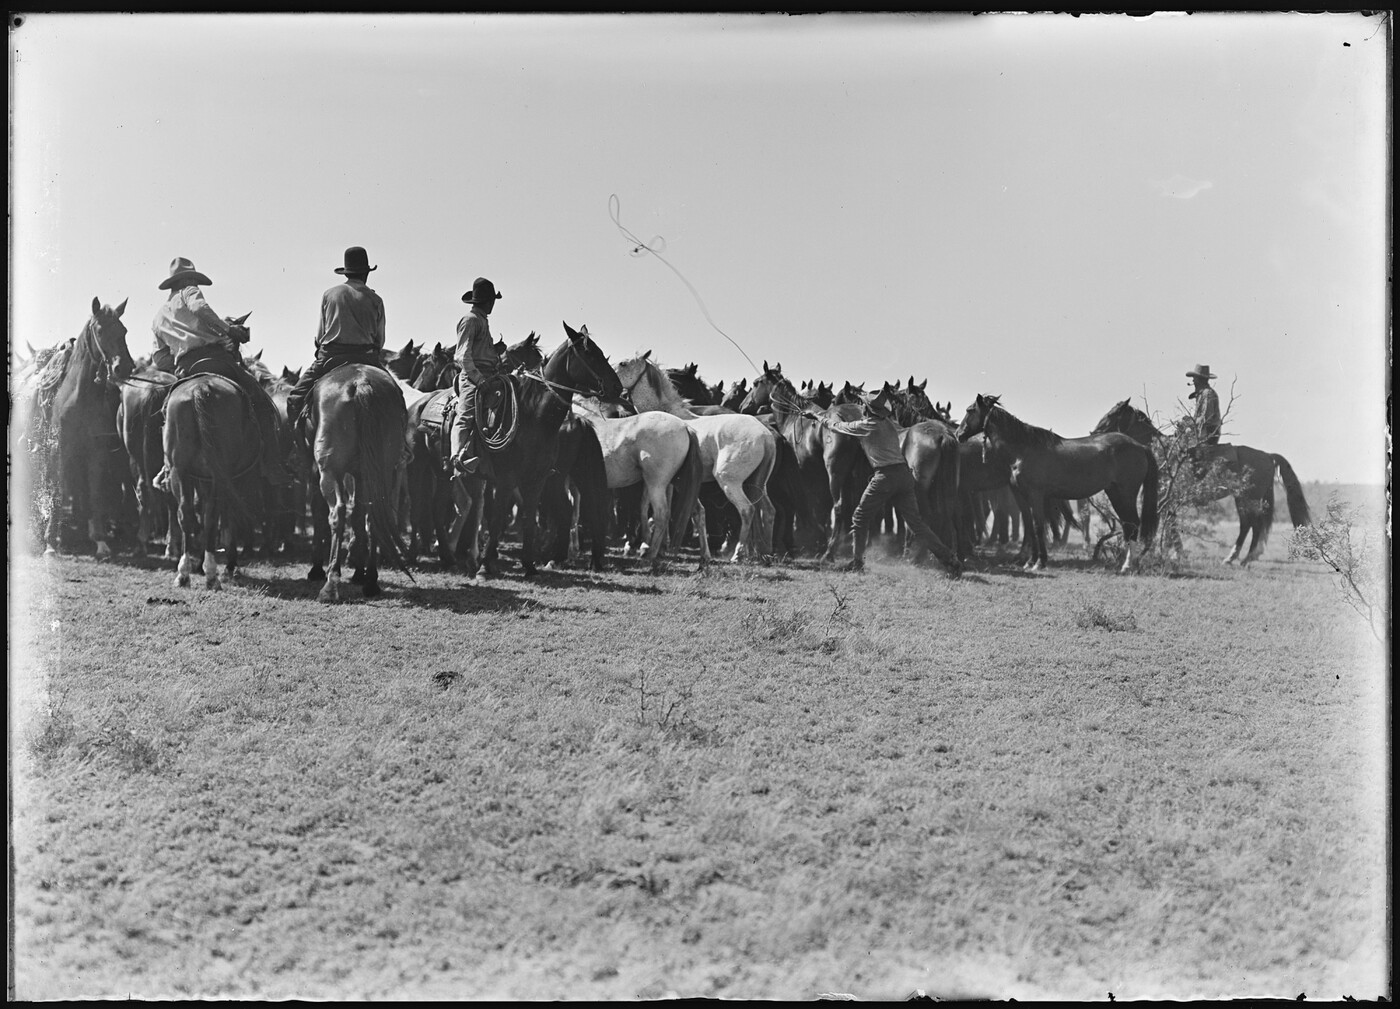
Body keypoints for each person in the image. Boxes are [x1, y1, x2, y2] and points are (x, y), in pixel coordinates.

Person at [150, 257, 292, 490]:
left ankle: (168, 469)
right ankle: (272, 465)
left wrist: (179, 357)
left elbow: (159, 358)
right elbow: (200, 308)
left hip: (186, 370)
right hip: (217, 361)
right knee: (264, 405)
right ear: (188, 280)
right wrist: (229, 331)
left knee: (166, 417)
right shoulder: (189, 291)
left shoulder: (158, 317)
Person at [805, 390, 961, 575]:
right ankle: (949, 558)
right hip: (904, 476)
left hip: (885, 476)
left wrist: (816, 415)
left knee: (859, 517)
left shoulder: (866, 425)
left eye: (863, 405)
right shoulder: (887, 423)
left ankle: (857, 563)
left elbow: (837, 426)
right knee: (916, 524)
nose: (861, 407)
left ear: (868, 409)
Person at [285, 246, 388, 431]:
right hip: (366, 357)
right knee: (395, 395)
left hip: (331, 356)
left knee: (295, 397)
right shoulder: (376, 299)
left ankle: (298, 448)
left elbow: (320, 335)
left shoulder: (330, 294)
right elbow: (380, 341)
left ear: (346, 273)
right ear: (366, 273)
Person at [449, 277, 504, 474]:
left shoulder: (481, 320)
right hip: (473, 377)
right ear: (488, 302)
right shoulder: (470, 320)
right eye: (492, 301)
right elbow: (462, 356)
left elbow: (479, 349)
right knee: (466, 414)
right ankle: (458, 456)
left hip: (490, 374)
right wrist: (479, 380)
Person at [1186, 364, 1222, 446]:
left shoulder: (1208, 394)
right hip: (1202, 432)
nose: (1193, 381)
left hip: (1209, 433)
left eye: (1195, 378)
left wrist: (1191, 424)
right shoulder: (1201, 394)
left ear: (1200, 379)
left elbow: (1206, 417)